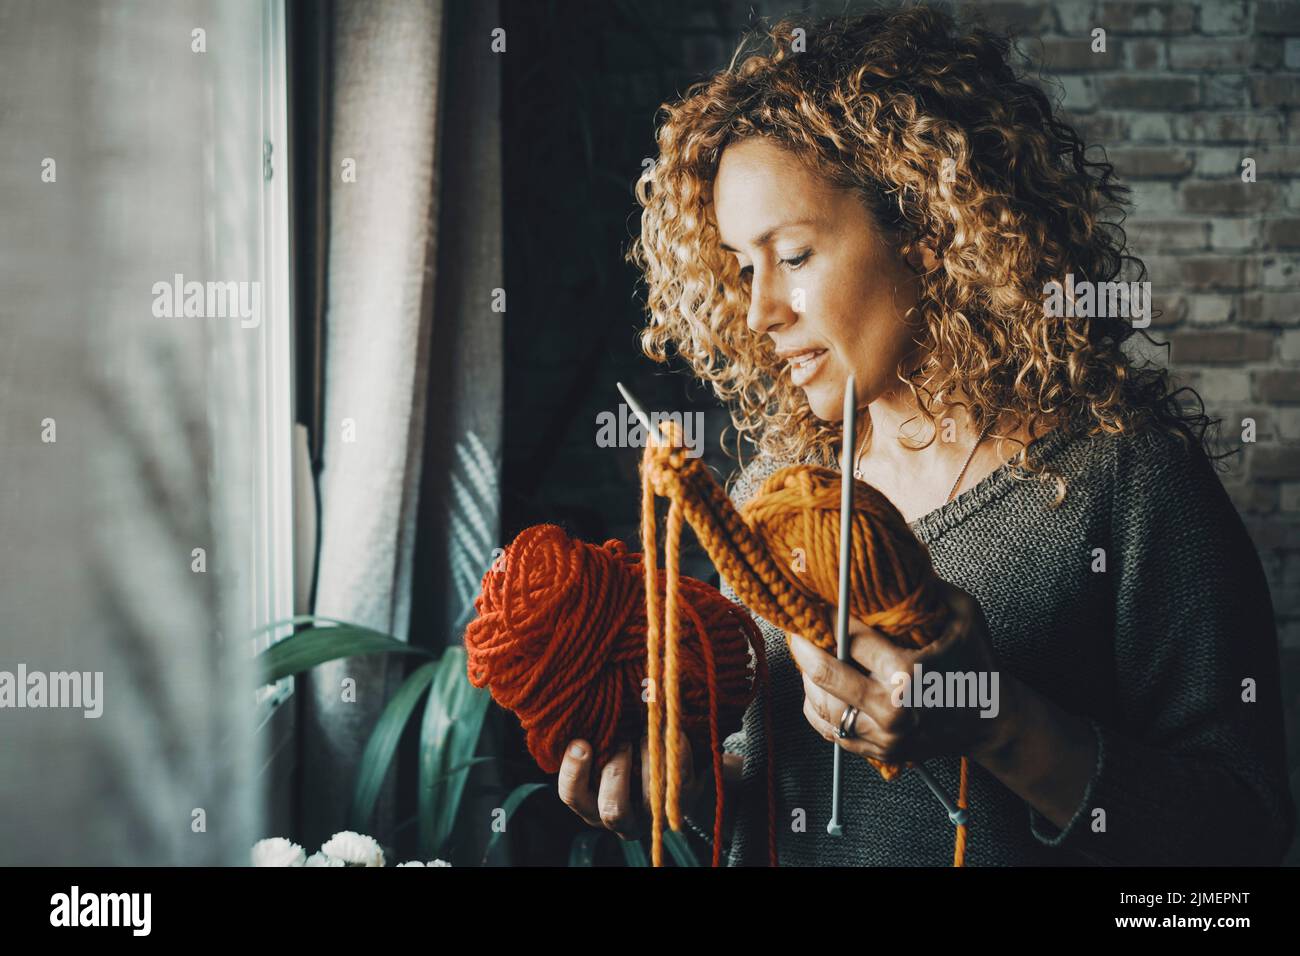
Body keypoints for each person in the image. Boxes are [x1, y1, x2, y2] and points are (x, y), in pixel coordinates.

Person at [557, 4, 1294, 865]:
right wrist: (674, 784)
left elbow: (1242, 838)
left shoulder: (1126, 482)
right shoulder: (774, 486)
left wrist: (998, 721)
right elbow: (772, 788)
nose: (756, 312)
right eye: (739, 266)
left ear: (930, 232)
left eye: (792, 257)